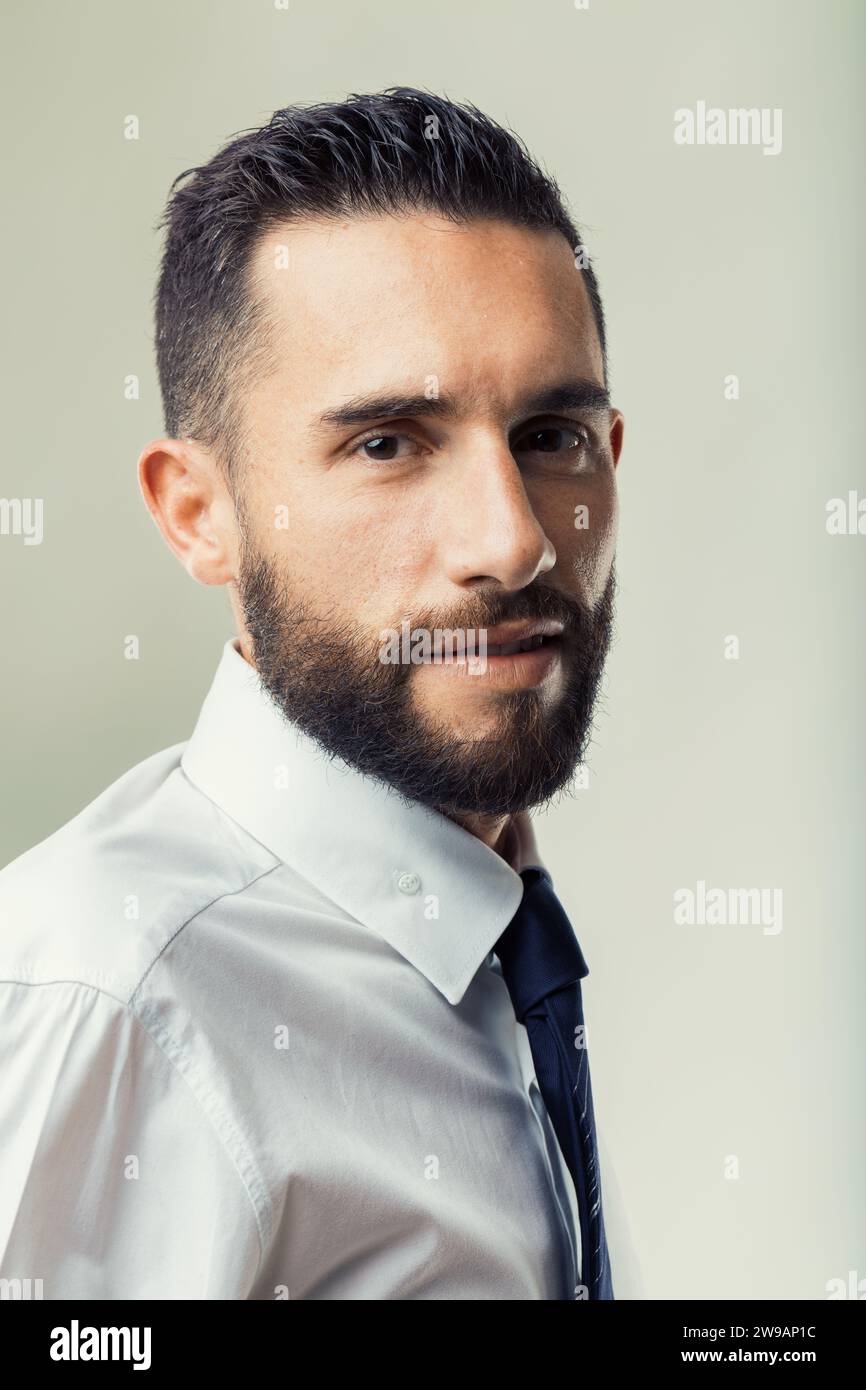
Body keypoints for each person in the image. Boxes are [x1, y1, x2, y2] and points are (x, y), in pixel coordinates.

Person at [0, 87, 641, 1299]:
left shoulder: (498, 933)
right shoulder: (109, 1005)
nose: (510, 543)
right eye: (388, 443)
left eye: (550, 434)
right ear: (200, 513)